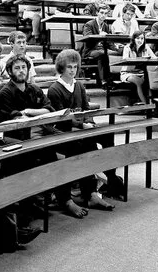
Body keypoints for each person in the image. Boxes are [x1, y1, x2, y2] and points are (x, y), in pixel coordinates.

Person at [46, 48, 116, 215]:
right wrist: (82, 126)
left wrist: (90, 123)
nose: (73, 70)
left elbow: (86, 110)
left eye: (75, 67)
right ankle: (78, 195)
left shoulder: (79, 86)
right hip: (64, 133)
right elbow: (63, 118)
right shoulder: (54, 89)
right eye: (69, 67)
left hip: (81, 130)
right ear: (61, 68)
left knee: (106, 137)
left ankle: (99, 188)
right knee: (85, 147)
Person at [120, 30, 155, 104]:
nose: (140, 40)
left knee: (150, 80)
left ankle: (151, 103)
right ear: (134, 39)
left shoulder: (146, 47)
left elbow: (154, 58)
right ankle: (146, 104)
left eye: (142, 38)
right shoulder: (127, 47)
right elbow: (125, 60)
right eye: (138, 38)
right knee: (138, 81)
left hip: (141, 73)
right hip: (127, 73)